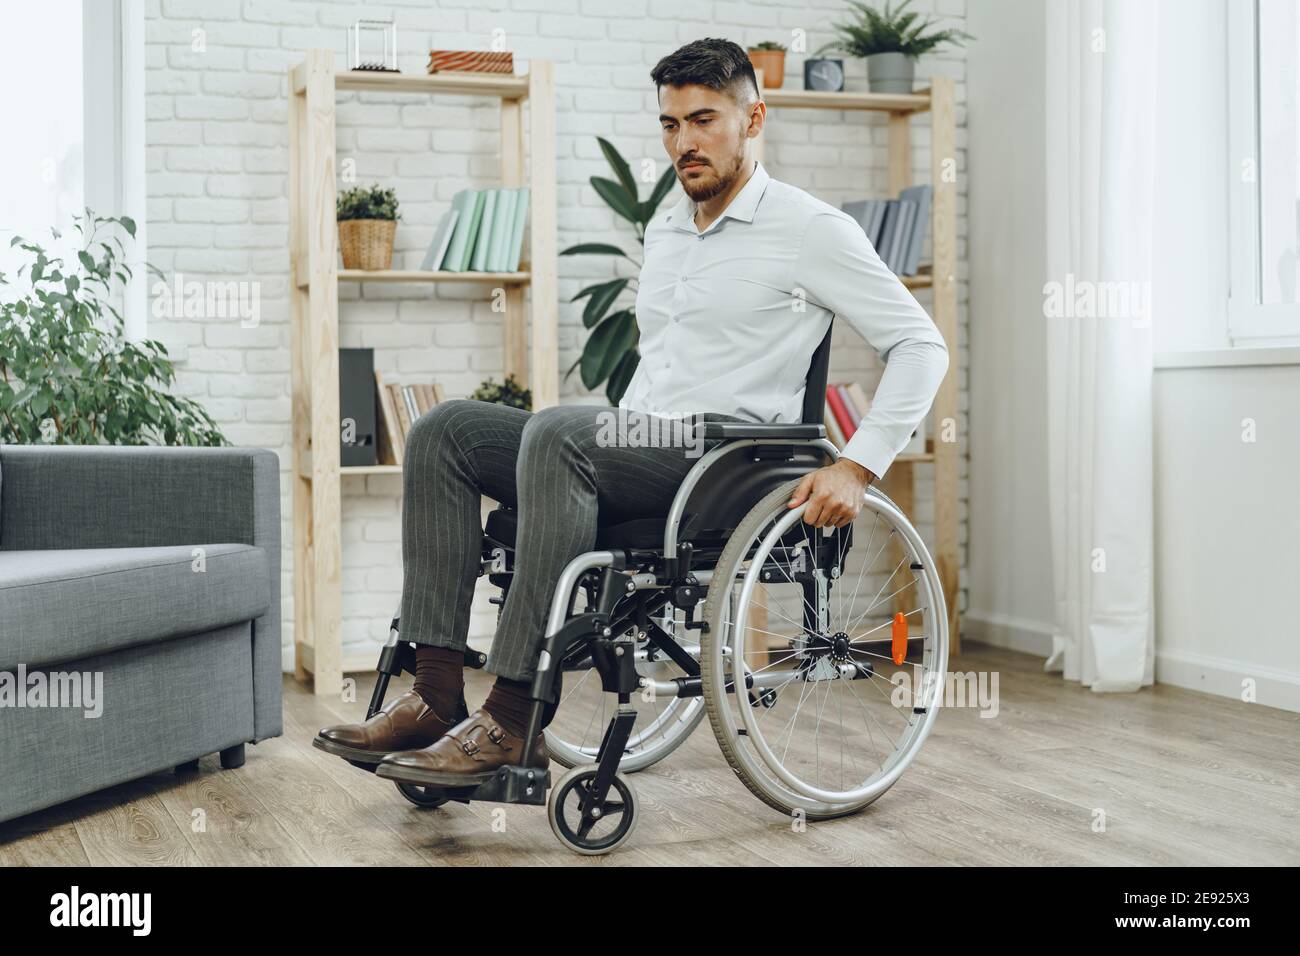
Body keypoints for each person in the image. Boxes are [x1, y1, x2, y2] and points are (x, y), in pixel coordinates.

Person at [315, 37, 949, 787]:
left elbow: (920, 344)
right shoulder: (670, 228)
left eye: (704, 120)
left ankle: (513, 721)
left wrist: (858, 464)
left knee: (559, 431)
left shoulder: (812, 230)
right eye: (671, 124)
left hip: (721, 461)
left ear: (754, 119)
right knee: (444, 430)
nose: (685, 142)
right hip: (640, 442)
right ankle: (435, 696)